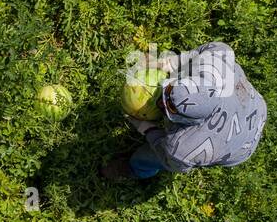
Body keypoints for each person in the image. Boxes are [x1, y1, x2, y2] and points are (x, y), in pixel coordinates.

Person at [102, 42, 267, 179]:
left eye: (162, 106)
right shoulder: (217, 55)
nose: (158, 102)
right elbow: (194, 56)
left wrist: (147, 128)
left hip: (240, 146)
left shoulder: (183, 149)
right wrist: (164, 64)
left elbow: (171, 160)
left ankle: (136, 169)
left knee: (153, 156)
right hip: (256, 107)